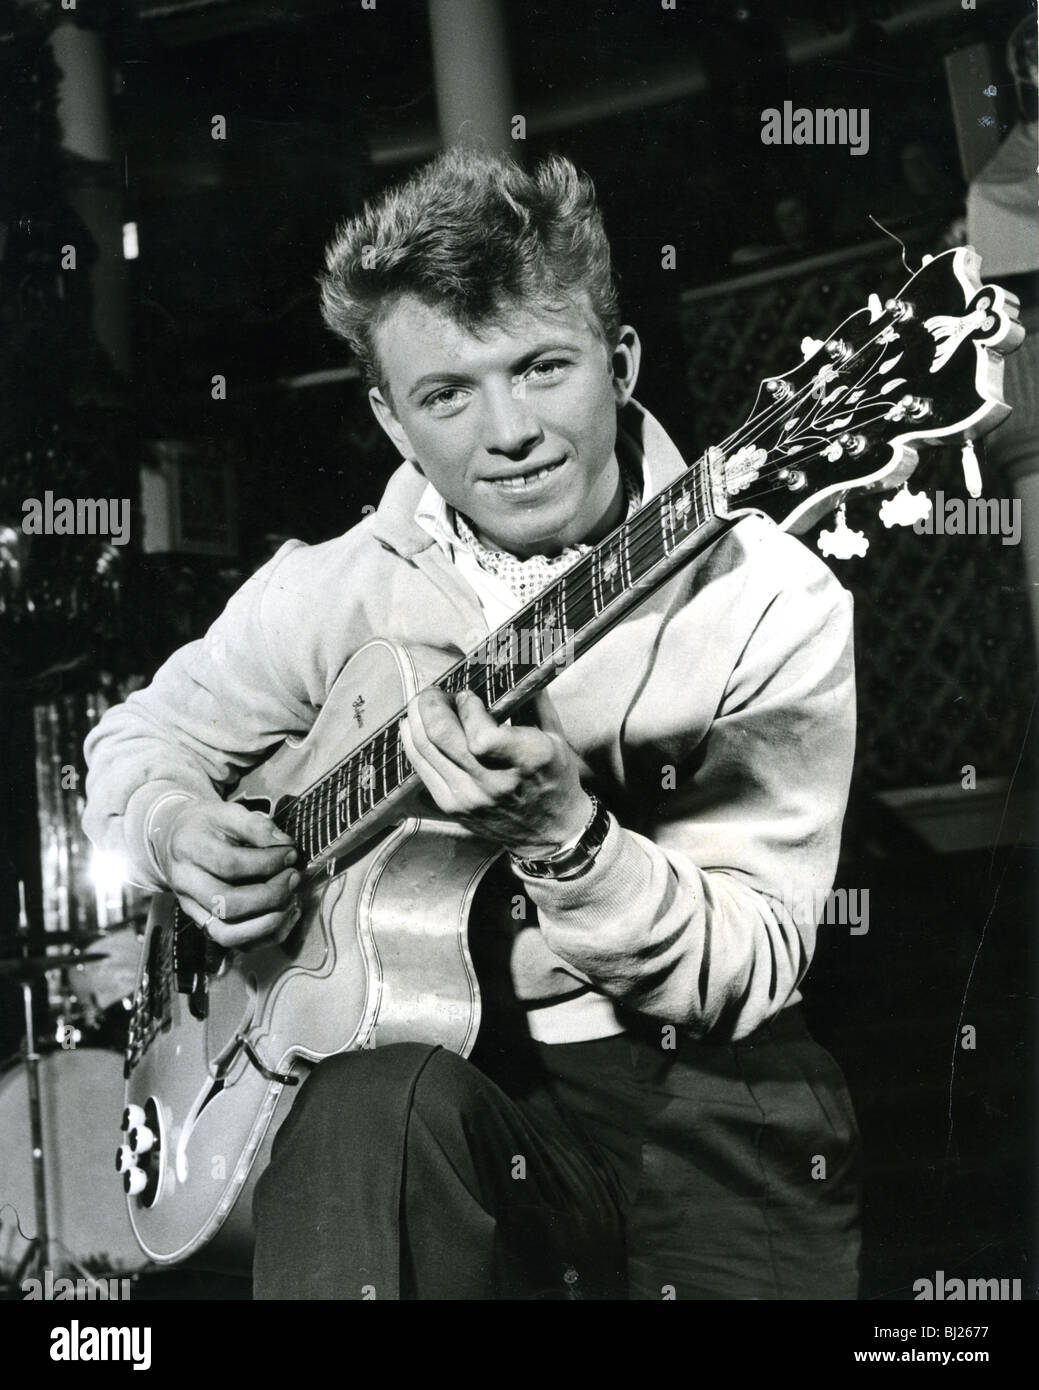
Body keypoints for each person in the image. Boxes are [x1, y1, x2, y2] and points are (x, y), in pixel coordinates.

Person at [83, 148, 861, 1300]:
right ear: (392, 422)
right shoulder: (333, 586)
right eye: (447, 393)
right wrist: (170, 828)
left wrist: (570, 844)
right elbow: (136, 742)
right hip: (436, 1080)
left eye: (544, 366)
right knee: (361, 1107)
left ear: (621, 361)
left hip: (704, 1099)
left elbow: (745, 963)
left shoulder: (772, 600)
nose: (511, 432)